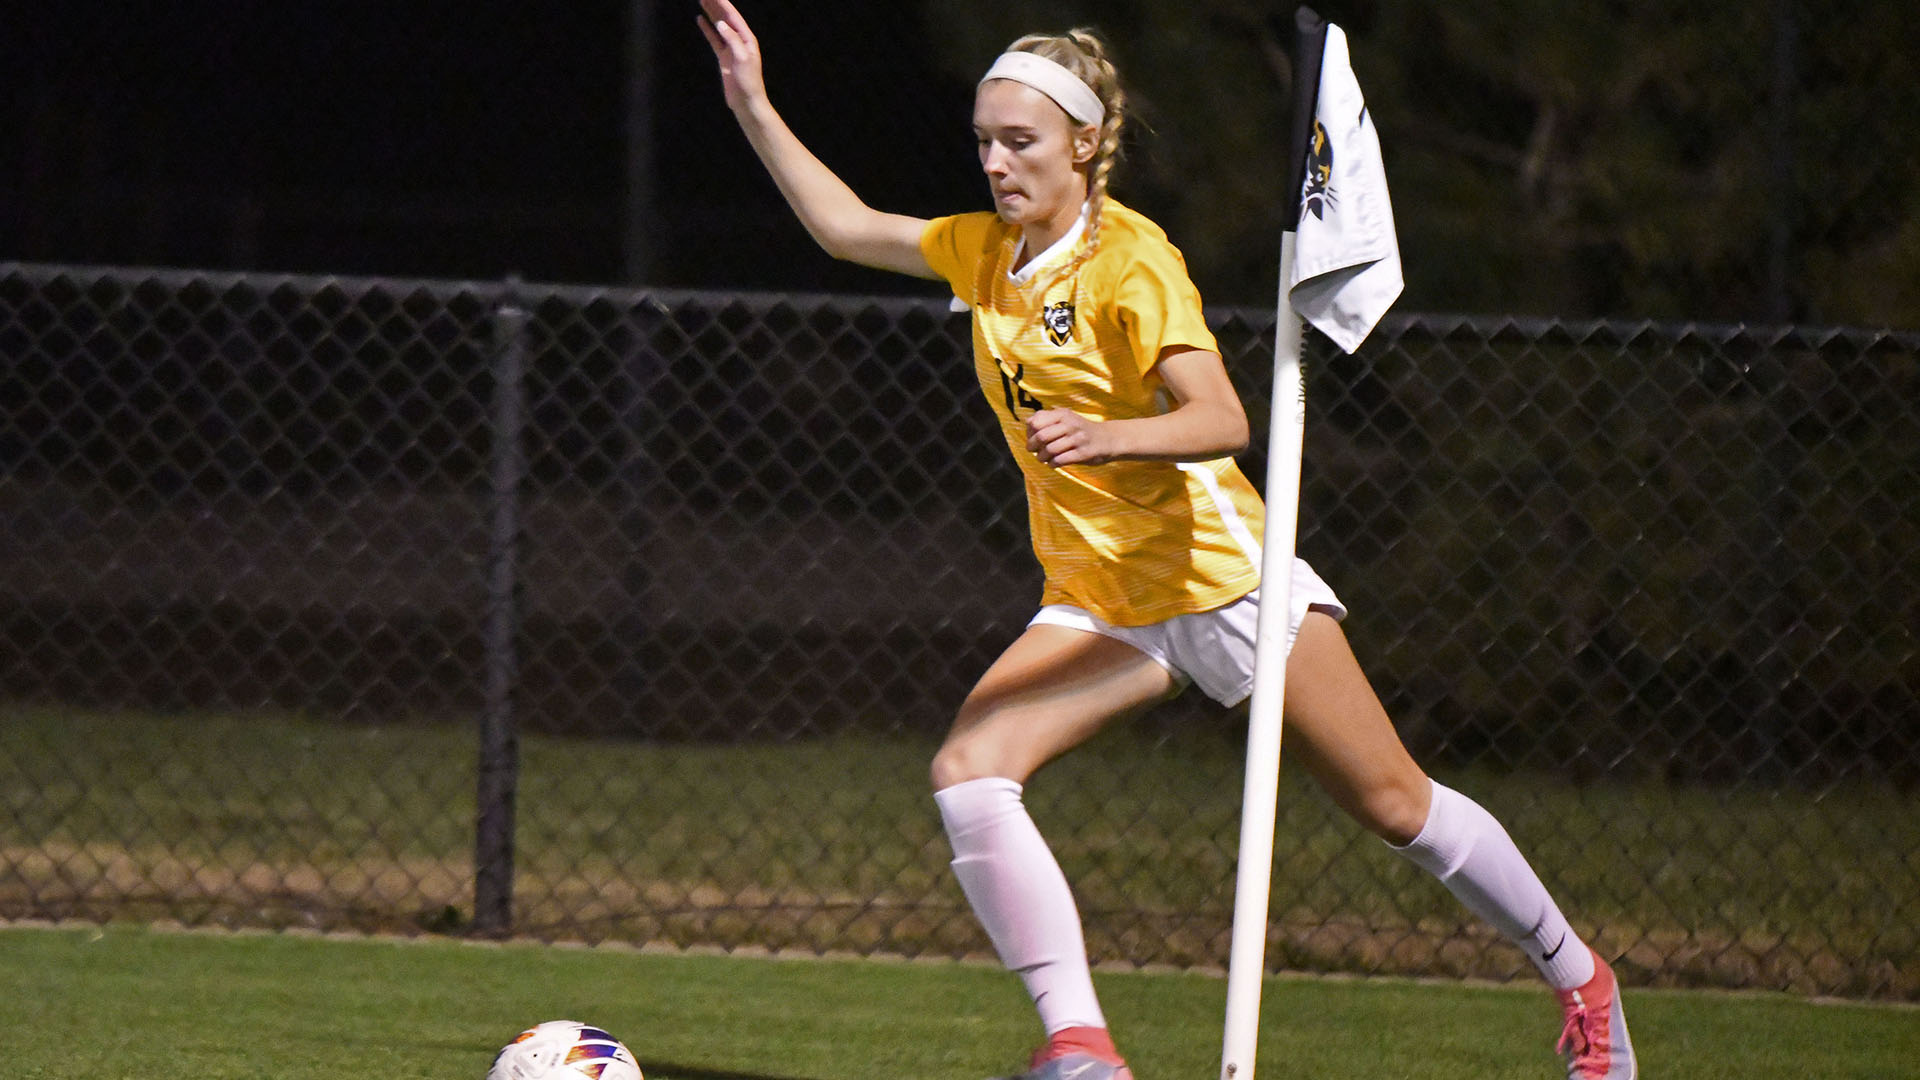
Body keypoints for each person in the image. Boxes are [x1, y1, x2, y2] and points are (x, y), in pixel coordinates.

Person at [697, 3, 1637, 1078]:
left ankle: (1581, 979)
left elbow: (1223, 418)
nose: (996, 164)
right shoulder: (987, 253)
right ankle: (1083, 1049)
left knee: (1394, 804)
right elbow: (845, 227)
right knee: (969, 771)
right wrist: (755, 107)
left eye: (1021, 142)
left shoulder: (1131, 263)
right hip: (1102, 600)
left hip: (1219, 579)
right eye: (983, 142)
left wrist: (1109, 434)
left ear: (1085, 144)